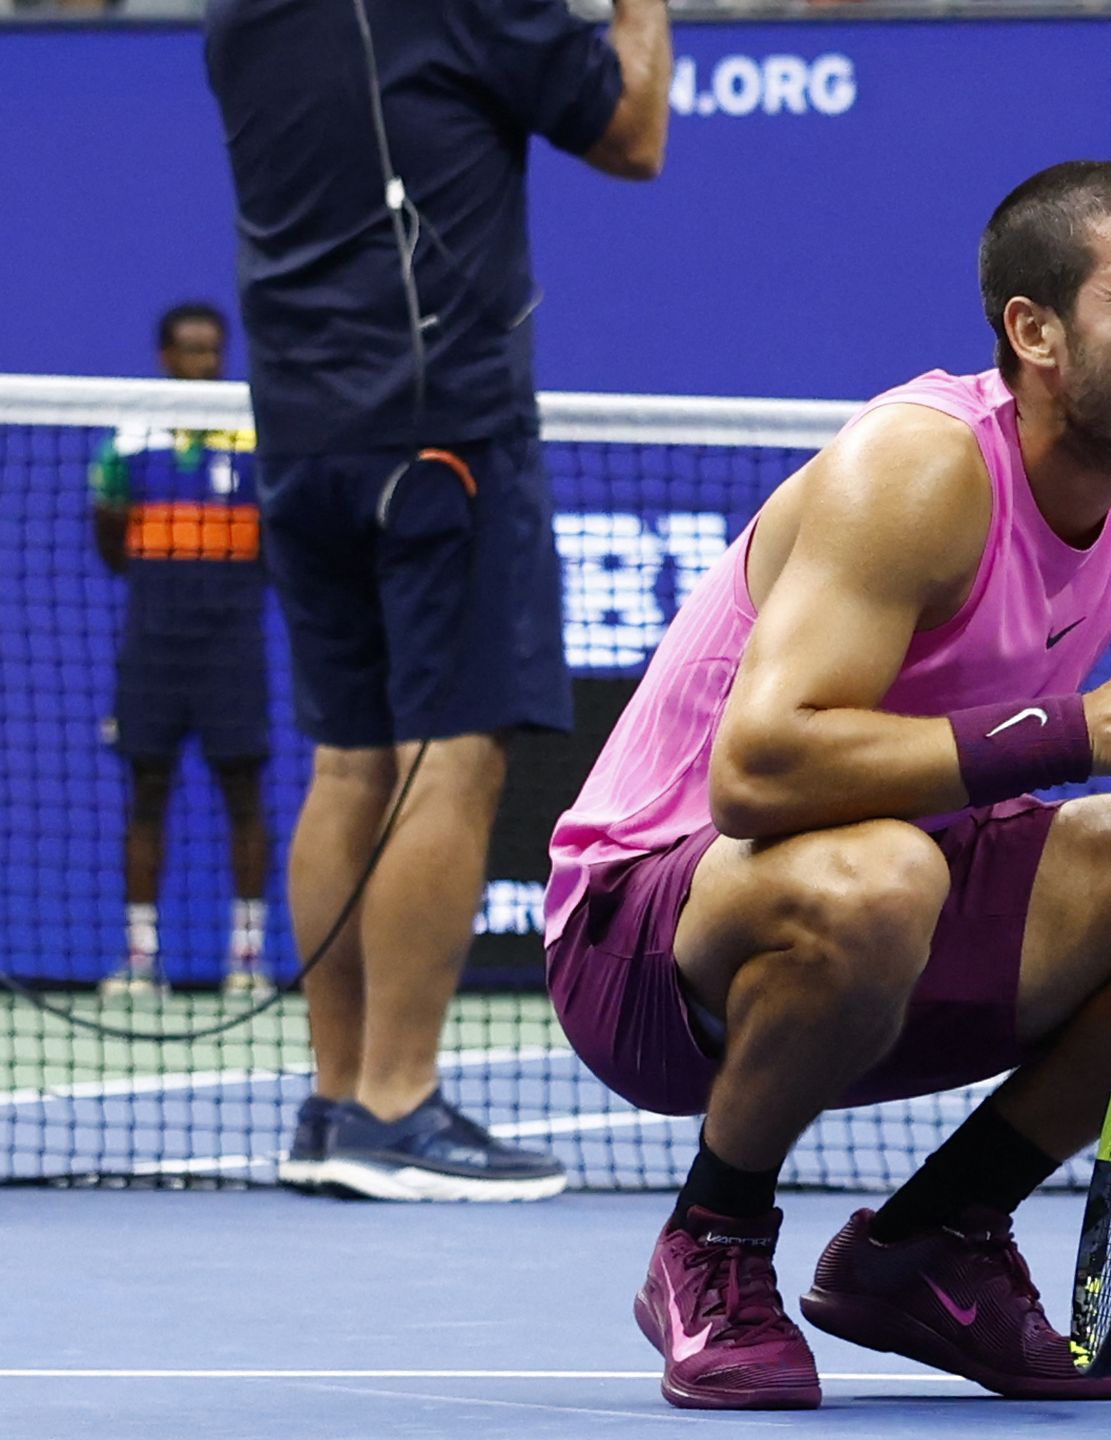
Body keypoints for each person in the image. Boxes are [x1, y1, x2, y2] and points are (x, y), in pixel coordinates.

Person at [544, 160, 1111, 1410]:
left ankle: (937, 1236)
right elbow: (756, 773)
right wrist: (1074, 728)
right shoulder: (917, 466)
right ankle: (713, 1238)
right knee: (881, 874)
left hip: (909, 899)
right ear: (1035, 332)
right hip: (652, 945)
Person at [203, 0, 672, 1201]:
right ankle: (398, 1104)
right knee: (449, 758)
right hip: (441, 432)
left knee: (350, 762)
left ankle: (335, 1102)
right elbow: (634, 136)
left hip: (299, 433)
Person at [91, 302, 274, 1003]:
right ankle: (140, 959)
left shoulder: (256, 435)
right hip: (153, 647)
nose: (205, 362)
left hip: (233, 646)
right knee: (147, 794)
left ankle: (247, 960)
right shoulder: (129, 440)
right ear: (165, 357)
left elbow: (278, 540)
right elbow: (110, 541)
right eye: (191, 350)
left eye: (214, 349)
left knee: (245, 796)